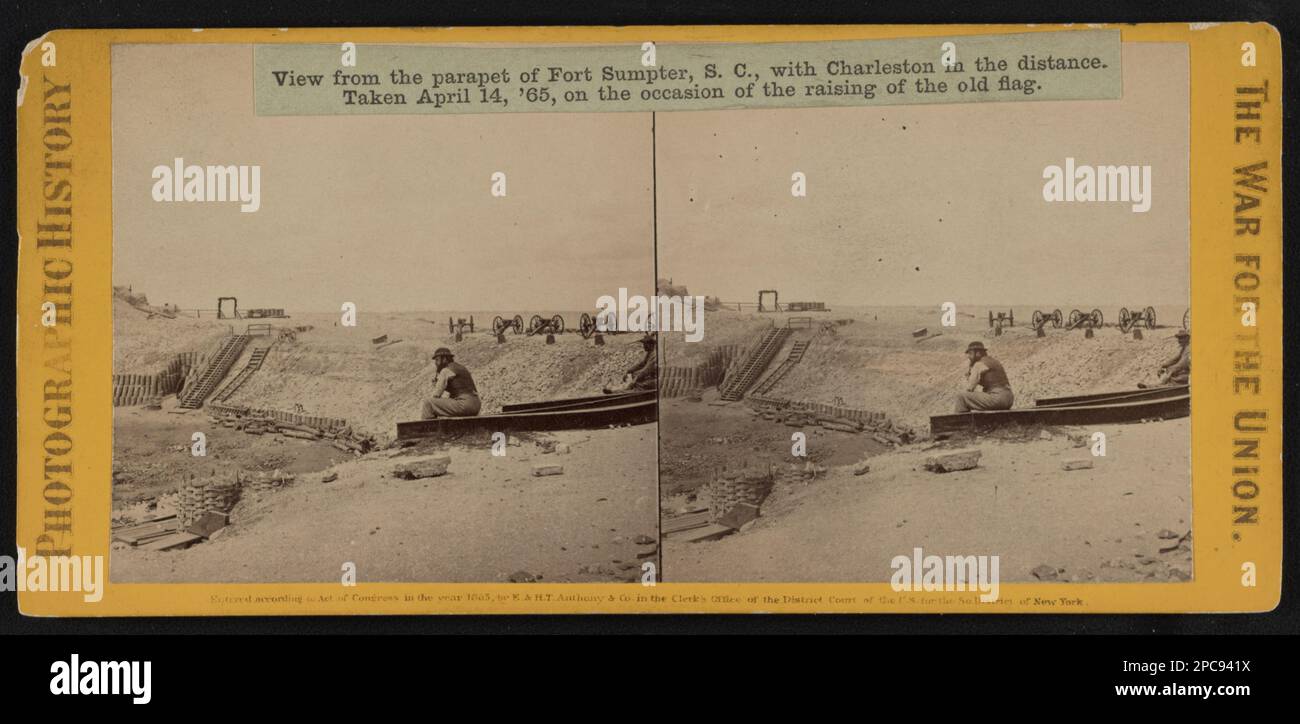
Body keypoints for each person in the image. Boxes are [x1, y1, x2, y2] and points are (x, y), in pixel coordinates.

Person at [419, 347, 481, 419]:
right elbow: (459, 388)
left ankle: (427, 429)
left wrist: (436, 385)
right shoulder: (461, 367)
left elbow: (436, 395)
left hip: (464, 404)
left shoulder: (446, 370)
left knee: (428, 403)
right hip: (476, 404)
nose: (436, 363)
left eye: (437, 360)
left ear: (444, 359)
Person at [954, 341, 1014, 413]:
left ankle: (961, 423)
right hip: (1009, 398)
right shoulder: (994, 361)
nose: (968, 356)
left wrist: (969, 375)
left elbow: (970, 388)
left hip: (997, 398)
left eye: (970, 353)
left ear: (978, 353)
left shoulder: (979, 364)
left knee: (961, 397)